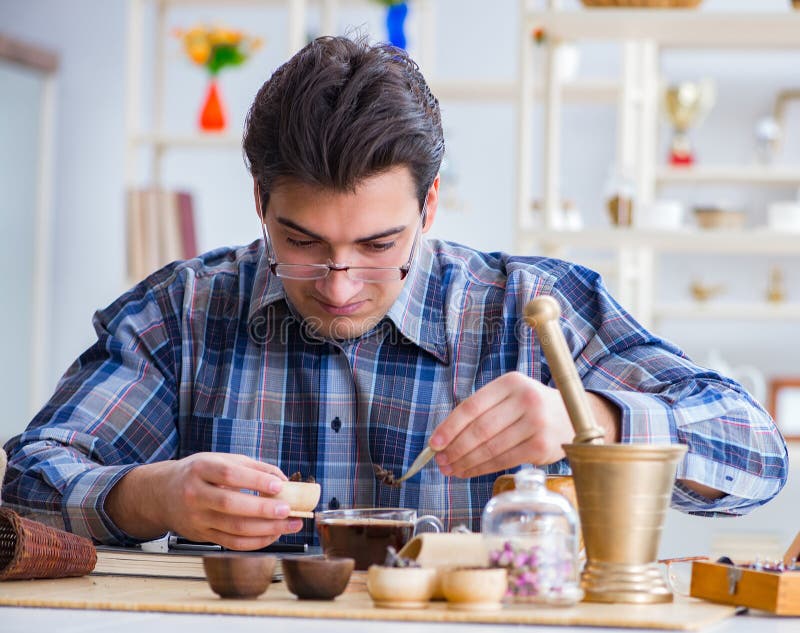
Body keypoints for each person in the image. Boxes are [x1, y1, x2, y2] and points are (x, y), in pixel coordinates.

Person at [2, 36, 788, 550]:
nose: (340, 286)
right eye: (302, 243)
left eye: (378, 246)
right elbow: (27, 486)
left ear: (430, 206)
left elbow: (756, 451)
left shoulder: (531, 307)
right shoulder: (188, 310)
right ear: (259, 204)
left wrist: (591, 419)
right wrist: (153, 494)